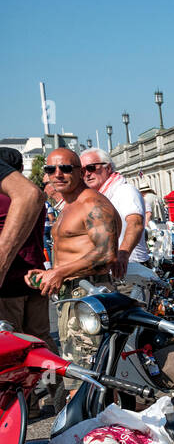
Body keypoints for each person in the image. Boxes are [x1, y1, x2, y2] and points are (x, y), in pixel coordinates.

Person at [29, 149, 120, 379]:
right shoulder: (68, 205)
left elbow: (107, 255)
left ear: (79, 172)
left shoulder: (91, 203)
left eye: (65, 168)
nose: (57, 174)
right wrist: (48, 274)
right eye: (51, 170)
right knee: (79, 374)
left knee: (89, 376)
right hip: (72, 295)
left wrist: (60, 271)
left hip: (89, 294)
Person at [0, 148, 51, 376]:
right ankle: (55, 387)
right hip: (37, 276)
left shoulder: (5, 199)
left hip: (10, 281)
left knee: (14, 342)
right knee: (42, 337)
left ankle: (26, 402)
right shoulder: (38, 197)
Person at [80, 148, 147, 276]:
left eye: (91, 168)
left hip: (128, 269)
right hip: (105, 273)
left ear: (108, 168)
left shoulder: (124, 191)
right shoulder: (94, 198)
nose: (87, 174)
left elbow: (135, 224)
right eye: (82, 171)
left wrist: (123, 254)